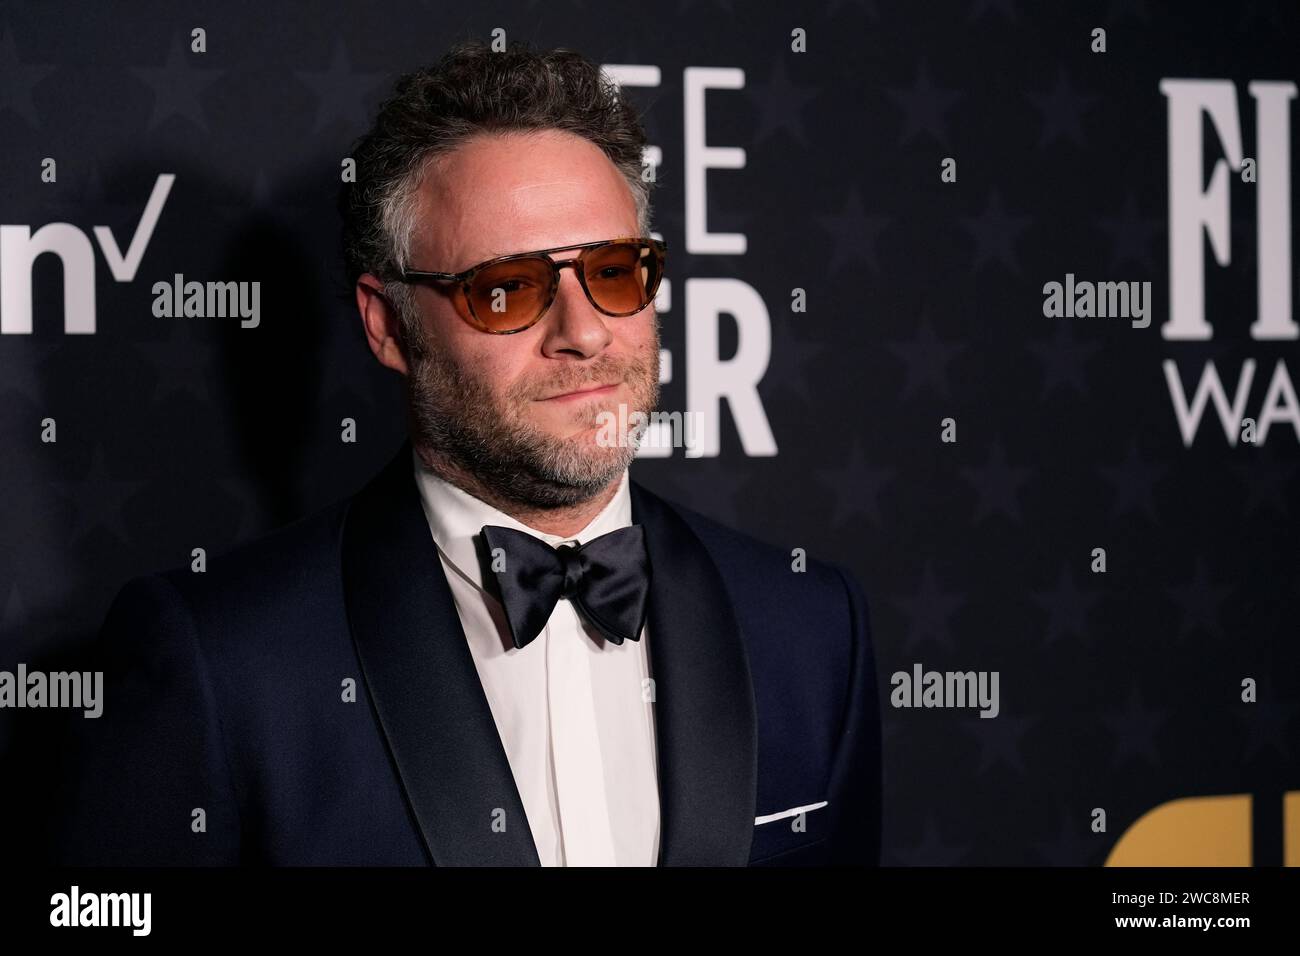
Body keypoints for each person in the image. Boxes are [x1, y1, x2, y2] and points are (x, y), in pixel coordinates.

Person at [48, 38, 881, 867]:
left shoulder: (809, 625)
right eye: (507, 289)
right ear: (387, 324)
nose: (584, 332)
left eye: (616, 271)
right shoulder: (218, 660)